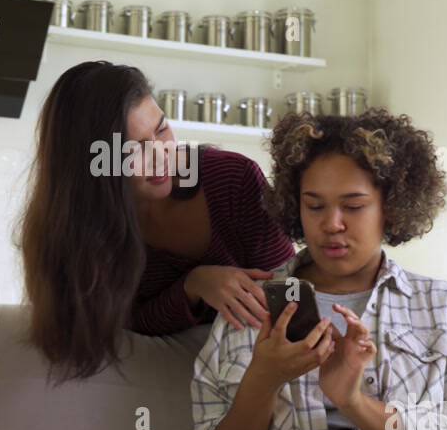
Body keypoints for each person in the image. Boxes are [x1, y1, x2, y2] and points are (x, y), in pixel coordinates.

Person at [192, 108, 447, 430]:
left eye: (353, 207)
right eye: (314, 206)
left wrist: (354, 402)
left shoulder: (444, 308)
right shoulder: (250, 306)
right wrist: (264, 378)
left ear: (392, 207)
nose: (331, 224)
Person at [18, 61, 294, 382]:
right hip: (157, 387)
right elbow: (124, 323)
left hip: (263, 377)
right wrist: (194, 285)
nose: (162, 156)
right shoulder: (80, 235)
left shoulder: (233, 179)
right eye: (133, 149)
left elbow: (288, 291)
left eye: (161, 130)